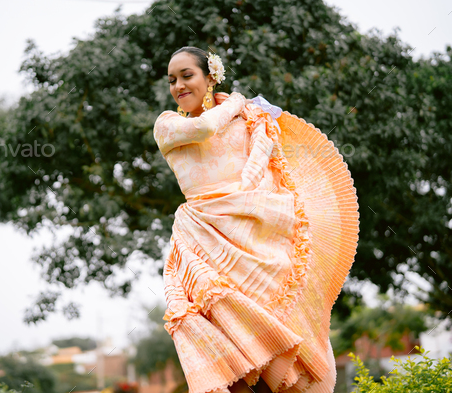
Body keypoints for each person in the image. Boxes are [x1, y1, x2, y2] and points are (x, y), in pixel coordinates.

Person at [152, 46, 360, 393]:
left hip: (252, 239)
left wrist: (251, 205)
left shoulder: (249, 119)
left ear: (209, 77)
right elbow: (204, 128)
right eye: (172, 80)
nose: (178, 86)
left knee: (275, 349)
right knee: (229, 357)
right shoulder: (167, 125)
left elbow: (260, 170)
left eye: (187, 75)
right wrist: (236, 100)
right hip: (201, 242)